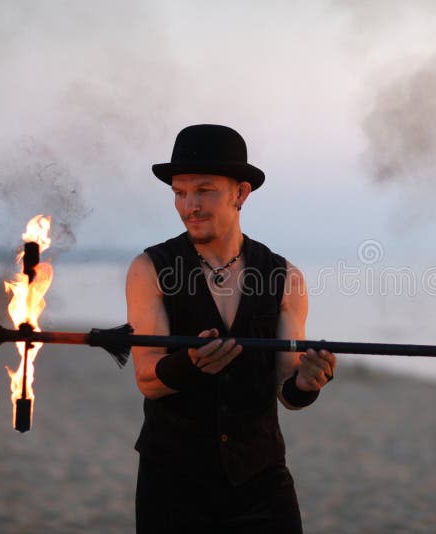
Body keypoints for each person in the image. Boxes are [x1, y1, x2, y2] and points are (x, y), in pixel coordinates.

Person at [126, 124, 336, 532]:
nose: (190, 205)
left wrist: (307, 384)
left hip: (260, 484)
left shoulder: (284, 277)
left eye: (204, 190)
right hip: (173, 484)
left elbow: (286, 389)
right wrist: (190, 364)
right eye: (179, 193)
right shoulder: (149, 268)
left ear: (241, 193)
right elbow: (147, 379)